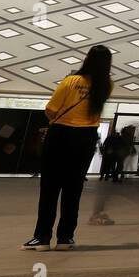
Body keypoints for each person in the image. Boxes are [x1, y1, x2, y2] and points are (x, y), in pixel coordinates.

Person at [22, 45, 114, 250]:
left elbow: (51, 110)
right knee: (74, 189)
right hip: (86, 138)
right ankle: (65, 238)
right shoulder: (106, 85)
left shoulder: (71, 81)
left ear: (87, 59)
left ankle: (42, 237)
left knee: (50, 189)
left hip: (61, 135)